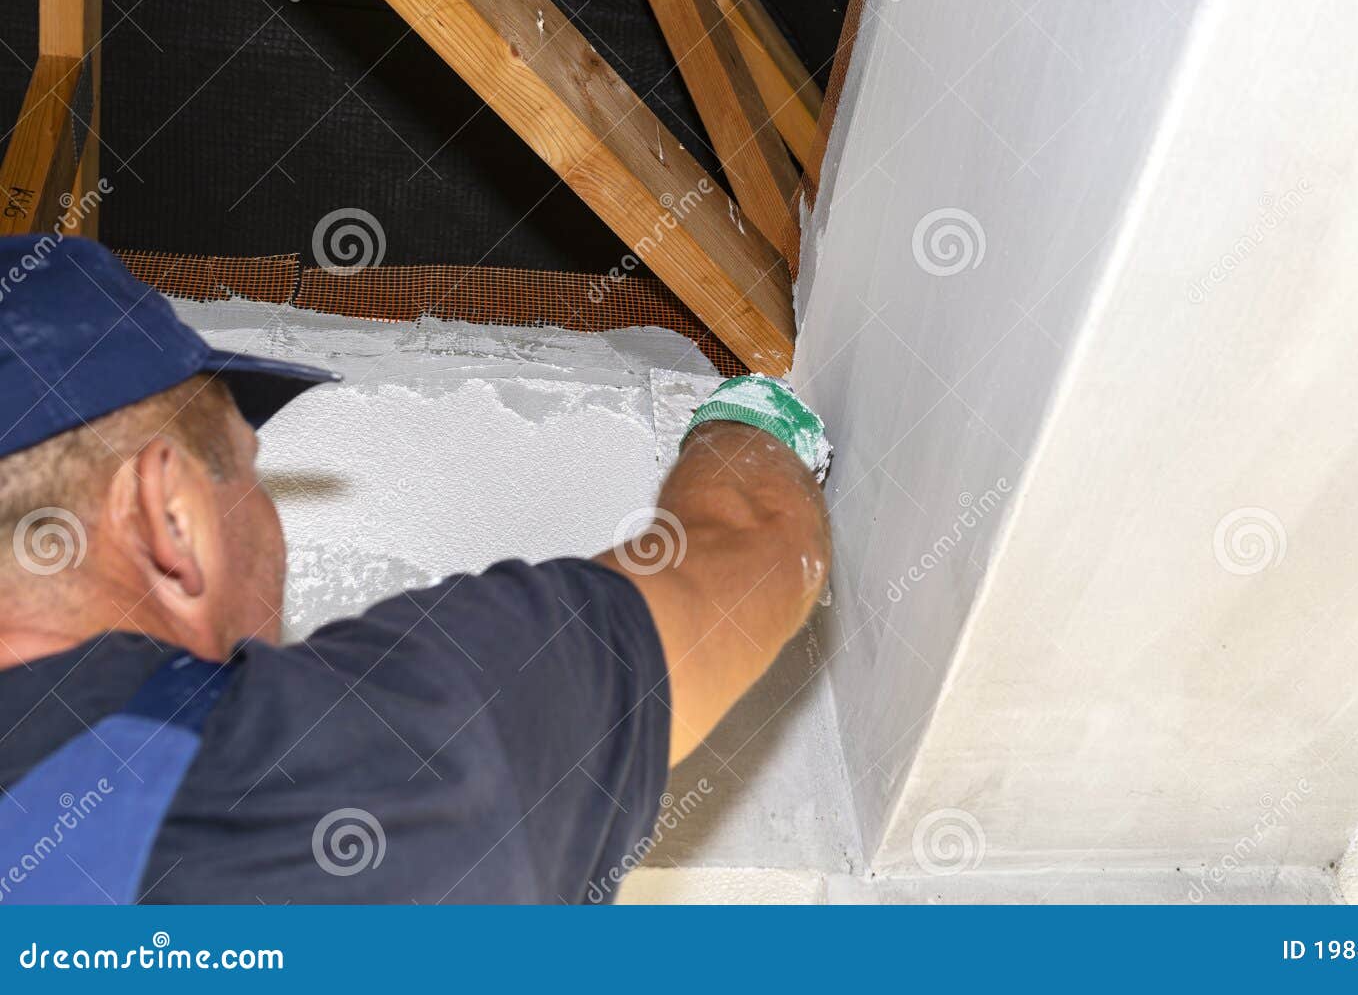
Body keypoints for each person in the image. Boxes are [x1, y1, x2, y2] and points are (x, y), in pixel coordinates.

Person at [0, 237, 830, 904]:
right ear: (170, 513)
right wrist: (745, 420)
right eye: (247, 470)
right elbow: (753, 541)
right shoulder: (344, 768)